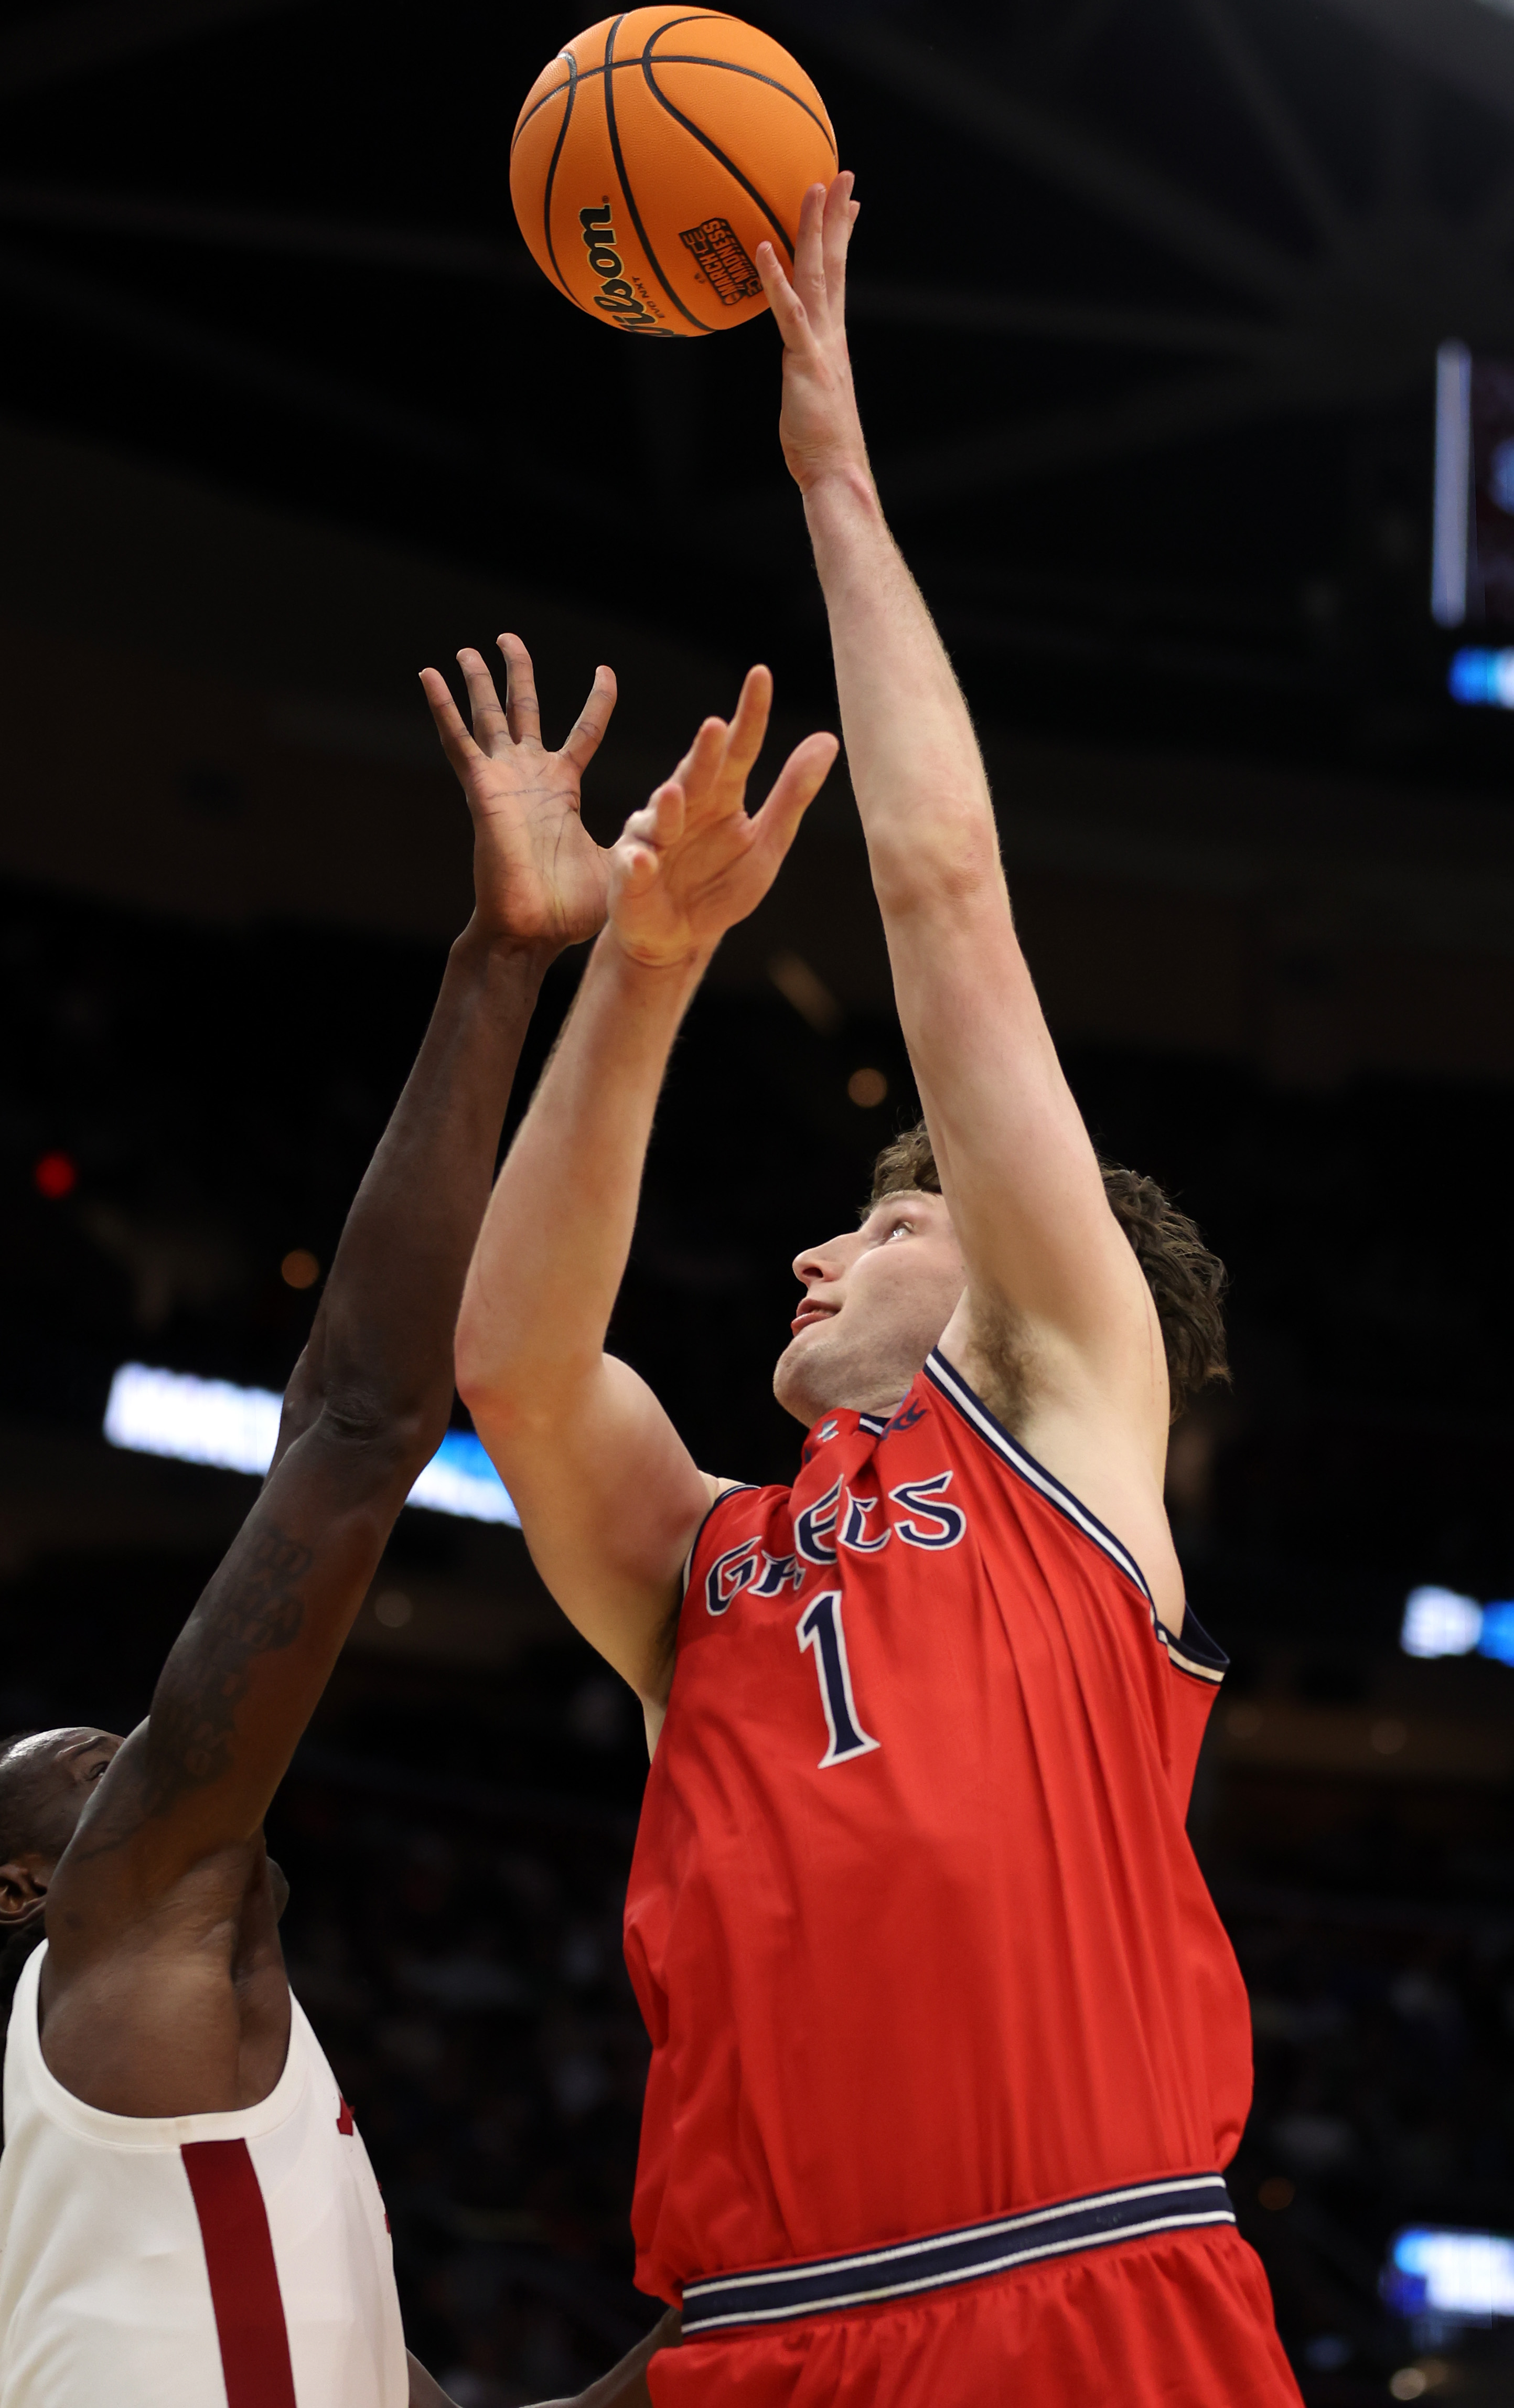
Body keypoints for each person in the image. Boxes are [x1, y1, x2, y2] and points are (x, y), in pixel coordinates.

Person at [453, 173, 1306, 2407]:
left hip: (1080, 2279)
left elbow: (938, 900)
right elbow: (517, 1372)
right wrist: (639, 974)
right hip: (751, 2338)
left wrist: (830, 469)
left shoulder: (1066, 1423)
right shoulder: (706, 1563)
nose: (821, 1241)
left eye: (888, 1220)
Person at [0, 641, 679, 2408]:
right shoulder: (124, 1941)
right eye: (87, 1761)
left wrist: (764, 2316)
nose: (140, 1748)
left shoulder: (226, 2111)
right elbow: (358, 1425)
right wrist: (502, 960)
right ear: (21, 1893)